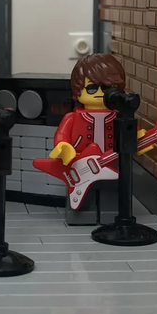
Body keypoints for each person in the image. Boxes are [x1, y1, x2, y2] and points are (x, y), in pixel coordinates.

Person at [49, 53, 127, 226]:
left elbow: (131, 133)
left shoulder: (119, 117)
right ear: (78, 91)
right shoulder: (72, 118)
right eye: (91, 88)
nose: (99, 93)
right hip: (79, 164)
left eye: (106, 88)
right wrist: (63, 146)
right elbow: (61, 135)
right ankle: (82, 215)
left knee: (111, 191)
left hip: (112, 162)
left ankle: (110, 215)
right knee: (84, 194)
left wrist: (139, 139)